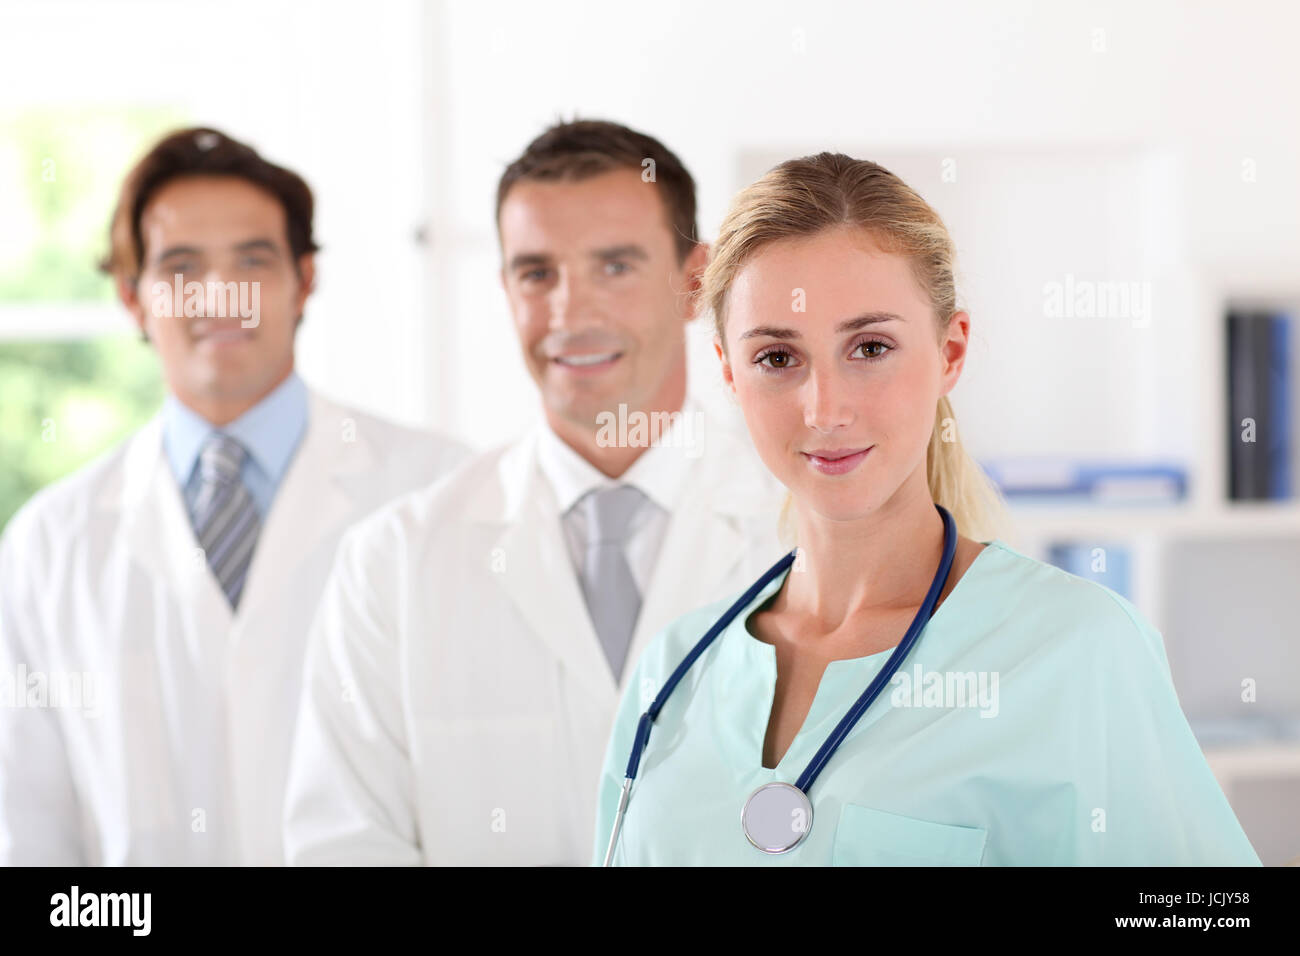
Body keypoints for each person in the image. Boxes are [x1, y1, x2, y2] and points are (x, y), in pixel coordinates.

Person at [593, 151, 1262, 866]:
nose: (825, 409)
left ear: (950, 351)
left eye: (870, 346)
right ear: (730, 371)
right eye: (778, 359)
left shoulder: (1077, 650)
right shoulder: (672, 674)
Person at [283, 119, 787, 865]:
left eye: (615, 266)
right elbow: (344, 845)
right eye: (536, 272)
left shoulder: (800, 529)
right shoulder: (393, 563)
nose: (570, 312)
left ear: (695, 281)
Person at [0, 127, 469, 865]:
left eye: (253, 261)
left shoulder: (440, 490)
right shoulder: (48, 543)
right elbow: (30, 834)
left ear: (303, 280)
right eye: (182, 267)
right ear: (132, 297)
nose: (221, 296)